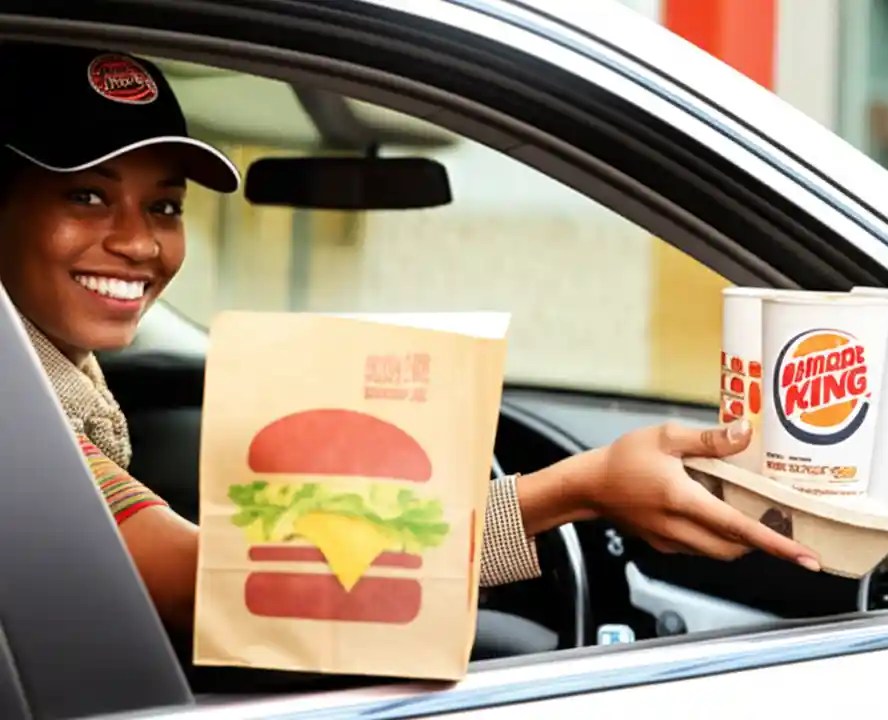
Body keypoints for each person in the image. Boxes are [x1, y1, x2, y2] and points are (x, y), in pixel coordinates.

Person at [0, 42, 821, 634]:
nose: (140, 243)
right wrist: (580, 488)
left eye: (166, 206)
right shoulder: (16, 414)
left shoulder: (57, 381)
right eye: (86, 197)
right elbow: (211, 582)